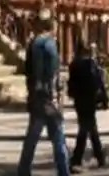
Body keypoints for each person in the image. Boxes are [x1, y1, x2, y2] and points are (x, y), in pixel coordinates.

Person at [16, 11, 71, 176]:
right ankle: (63, 171)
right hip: (48, 97)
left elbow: (30, 71)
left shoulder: (33, 43)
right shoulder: (48, 44)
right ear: (51, 26)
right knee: (57, 136)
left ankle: (23, 169)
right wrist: (56, 94)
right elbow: (50, 73)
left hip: (37, 96)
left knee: (33, 137)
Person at [67, 43, 109, 172]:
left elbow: (71, 85)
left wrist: (73, 94)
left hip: (80, 100)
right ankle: (94, 155)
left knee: (87, 127)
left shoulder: (74, 65)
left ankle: (90, 156)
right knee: (87, 128)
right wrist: (103, 100)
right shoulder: (91, 65)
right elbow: (98, 83)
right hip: (90, 99)